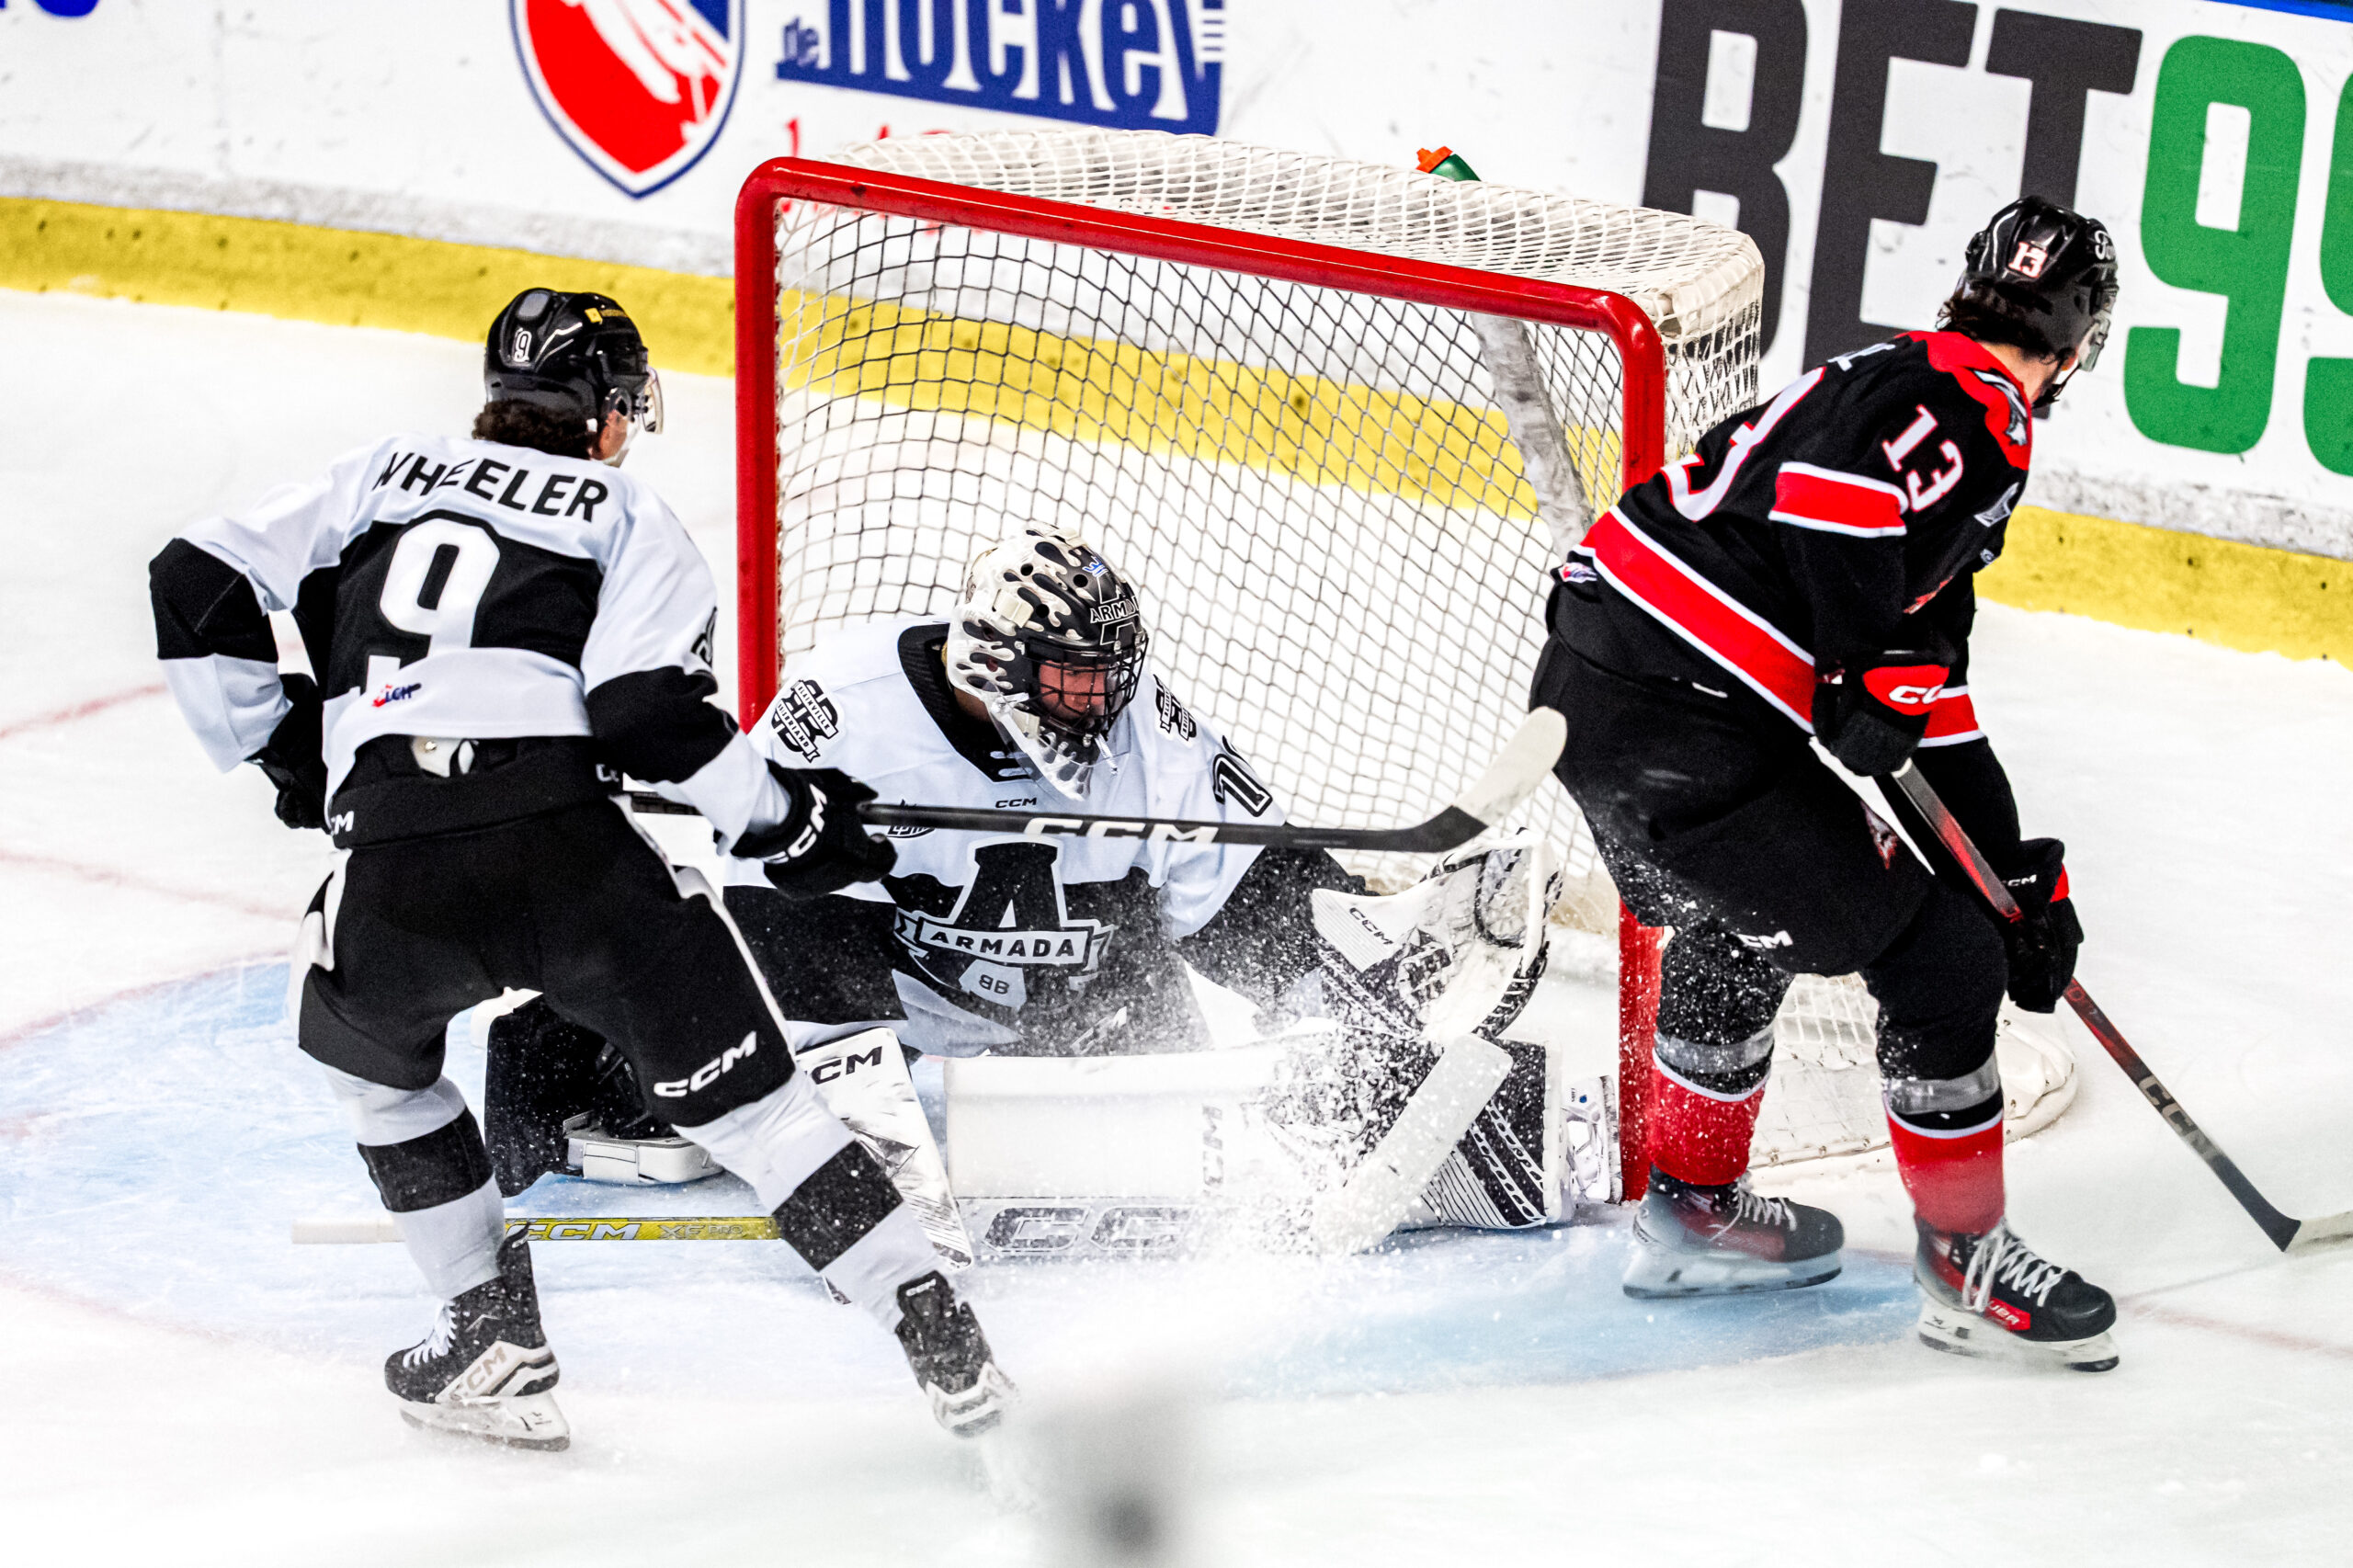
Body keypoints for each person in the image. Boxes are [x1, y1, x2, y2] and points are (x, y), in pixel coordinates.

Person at [147, 287, 1015, 1449]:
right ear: (608, 409)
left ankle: (487, 1334)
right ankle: (934, 1326)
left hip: (393, 868)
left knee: (384, 1077)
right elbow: (649, 716)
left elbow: (190, 579)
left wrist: (288, 750)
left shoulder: (373, 476)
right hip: (568, 856)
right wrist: (796, 826)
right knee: (757, 1114)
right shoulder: (625, 514)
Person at [486, 526, 1577, 1238]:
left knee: (1178, 1163)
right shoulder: (845, 703)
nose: (1095, 707)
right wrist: (859, 1125)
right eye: (1067, 682)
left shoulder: (1143, 728)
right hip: (893, 992)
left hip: (1084, 993)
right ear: (994, 664)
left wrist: (1354, 963)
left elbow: (1236, 887)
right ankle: (603, 1058)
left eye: (1107, 681)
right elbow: (765, 905)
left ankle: (1376, 1065)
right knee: (733, 1020)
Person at [1532, 198, 2120, 1369]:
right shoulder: (1983, 413)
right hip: (1680, 720)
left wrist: (2012, 876)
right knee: (1938, 959)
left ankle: (1693, 1217)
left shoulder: (1891, 373)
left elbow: (1922, 698)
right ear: (2078, 343)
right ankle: (1966, 1269)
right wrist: (1853, 658)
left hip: (1600, 693)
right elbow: (1828, 504)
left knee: (1742, 920)